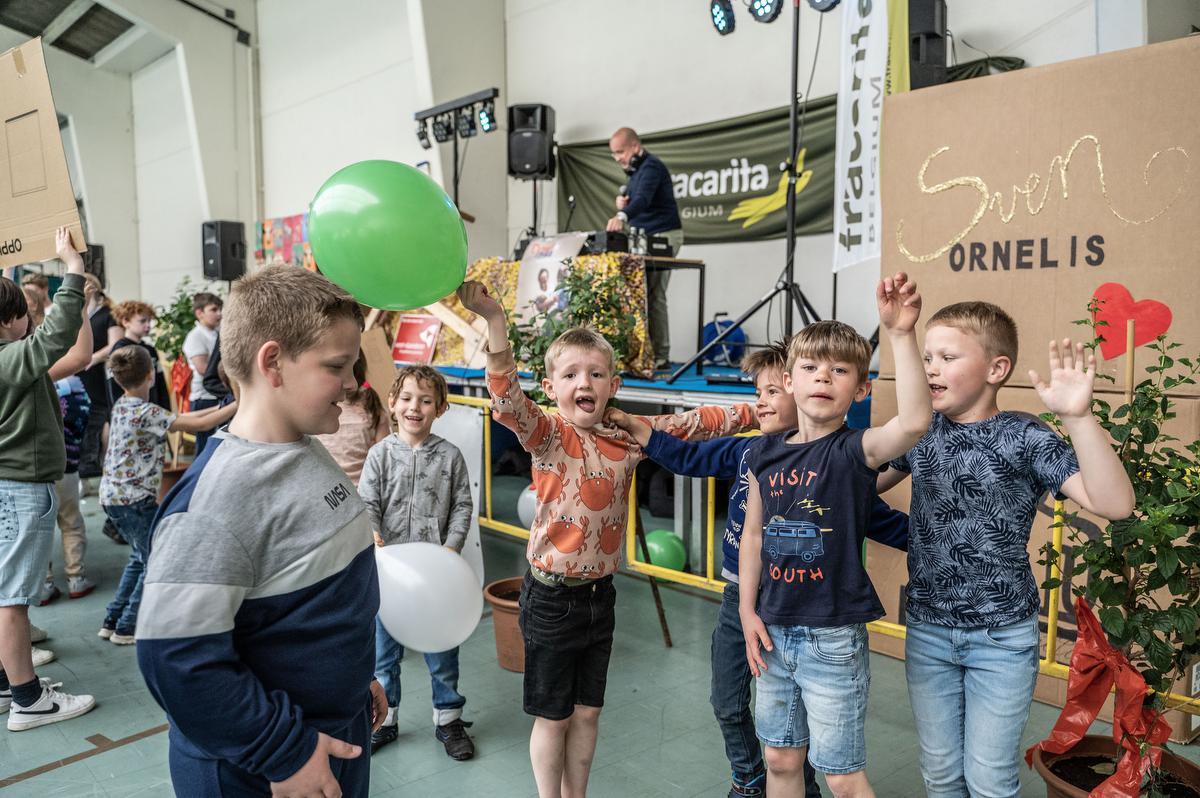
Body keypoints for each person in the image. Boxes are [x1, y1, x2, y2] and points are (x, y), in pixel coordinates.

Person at [458, 279, 755, 798]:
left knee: (588, 713)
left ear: (612, 384)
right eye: (570, 374)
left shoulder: (627, 436)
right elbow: (506, 398)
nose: (584, 381)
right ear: (551, 388)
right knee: (554, 717)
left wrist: (762, 409)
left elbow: (691, 424)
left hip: (601, 597)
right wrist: (495, 322)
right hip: (550, 597)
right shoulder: (547, 434)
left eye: (595, 373)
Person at [607, 340, 912, 798]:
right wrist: (636, 426)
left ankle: (787, 784)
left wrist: (943, 543)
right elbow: (691, 460)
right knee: (735, 709)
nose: (762, 402)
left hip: (812, 616)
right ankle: (752, 778)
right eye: (760, 392)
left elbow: (876, 517)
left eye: (772, 391)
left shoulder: (841, 463)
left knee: (816, 753)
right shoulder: (754, 453)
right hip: (746, 602)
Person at [135, 264, 386, 797]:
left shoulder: (303, 449)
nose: (352, 384)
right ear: (272, 362)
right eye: (337, 366)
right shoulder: (217, 504)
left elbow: (306, 603)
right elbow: (175, 659)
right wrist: (285, 752)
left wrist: (352, 679)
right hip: (263, 767)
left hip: (333, 730)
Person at [877, 302, 1135, 798]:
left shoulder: (1024, 435)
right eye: (927, 357)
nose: (932, 368)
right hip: (928, 631)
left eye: (948, 357)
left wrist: (1078, 419)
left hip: (1001, 640)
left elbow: (1115, 504)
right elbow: (857, 483)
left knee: (989, 779)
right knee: (941, 775)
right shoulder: (918, 429)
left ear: (997, 369)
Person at [739, 274, 932, 798]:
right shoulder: (763, 453)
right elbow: (754, 535)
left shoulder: (857, 450)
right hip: (773, 629)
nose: (823, 377)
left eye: (840, 370)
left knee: (841, 775)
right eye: (809, 368)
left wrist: (899, 334)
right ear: (790, 380)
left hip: (832, 637)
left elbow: (915, 420)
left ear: (861, 388)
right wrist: (746, 610)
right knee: (779, 758)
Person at [0, 227, 97, 731]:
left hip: (8, 486)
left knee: (5, 593)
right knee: (13, 598)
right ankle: (28, 700)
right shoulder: (9, 360)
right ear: (9, 320)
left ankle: (7, 680)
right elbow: (57, 335)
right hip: (19, 488)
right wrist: (73, 271)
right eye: (22, 314)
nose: (28, 321)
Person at [358, 366, 475, 759]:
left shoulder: (450, 456)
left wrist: (452, 546)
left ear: (440, 408)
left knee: (442, 652)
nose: (415, 407)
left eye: (426, 400)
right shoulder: (379, 455)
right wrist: (373, 532)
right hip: (389, 577)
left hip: (435, 578)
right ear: (392, 403)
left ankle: (449, 718)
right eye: (407, 398)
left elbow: (462, 504)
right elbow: (367, 502)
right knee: (383, 654)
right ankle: (384, 720)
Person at [98, 346, 237, 646]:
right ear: (151, 376)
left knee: (138, 557)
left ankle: (112, 619)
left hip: (114, 498)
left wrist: (222, 407)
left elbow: (185, 416)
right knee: (154, 560)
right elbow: (197, 425)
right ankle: (127, 626)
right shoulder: (145, 412)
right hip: (134, 501)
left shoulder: (124, 405)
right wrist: (242, 403)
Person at [605, 127, 683, 370]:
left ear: (635, 147)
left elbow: (643, 201)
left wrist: (622, 213)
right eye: (613, 154)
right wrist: (623, 202)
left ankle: (661, 356)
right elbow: (636, 199)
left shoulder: (651, 167)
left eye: (620, 152)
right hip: (645, 237)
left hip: (664, 236)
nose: (617, 158)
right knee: (641, 295)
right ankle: (642, 355)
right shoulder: (635, 172)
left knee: (655, 295)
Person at [315, 352, 390, 486]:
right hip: (363, 492)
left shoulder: (314, 407)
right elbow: (384, 460)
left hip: (327, 492)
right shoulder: (373, 404)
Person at [78, 273, 123, 484]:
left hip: (97, 372)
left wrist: (93, 358)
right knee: (84, 419)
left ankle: (103, 464)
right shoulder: (78, 313)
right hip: (79, 373)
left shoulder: (108, 314)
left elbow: (115, 344)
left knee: (101, 417)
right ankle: (85, 466)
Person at [108, 300, 170, 410]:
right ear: (126, 322)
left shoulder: (150, 350)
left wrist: (166, 409)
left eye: (149, 321)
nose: (148, 325)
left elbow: (161, 383)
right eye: (142, 321)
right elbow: (113, 385)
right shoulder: (119, 350)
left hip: (153, 408)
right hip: (131, 411)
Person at [182, 292, 223, 456]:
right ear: (200, 313)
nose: (219, 314)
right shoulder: (196, 336)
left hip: (217, 394)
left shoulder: (216, 333)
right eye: (214, 310)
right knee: (205, 449)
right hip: (204, 398)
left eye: (220, 309)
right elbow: (204, 369)